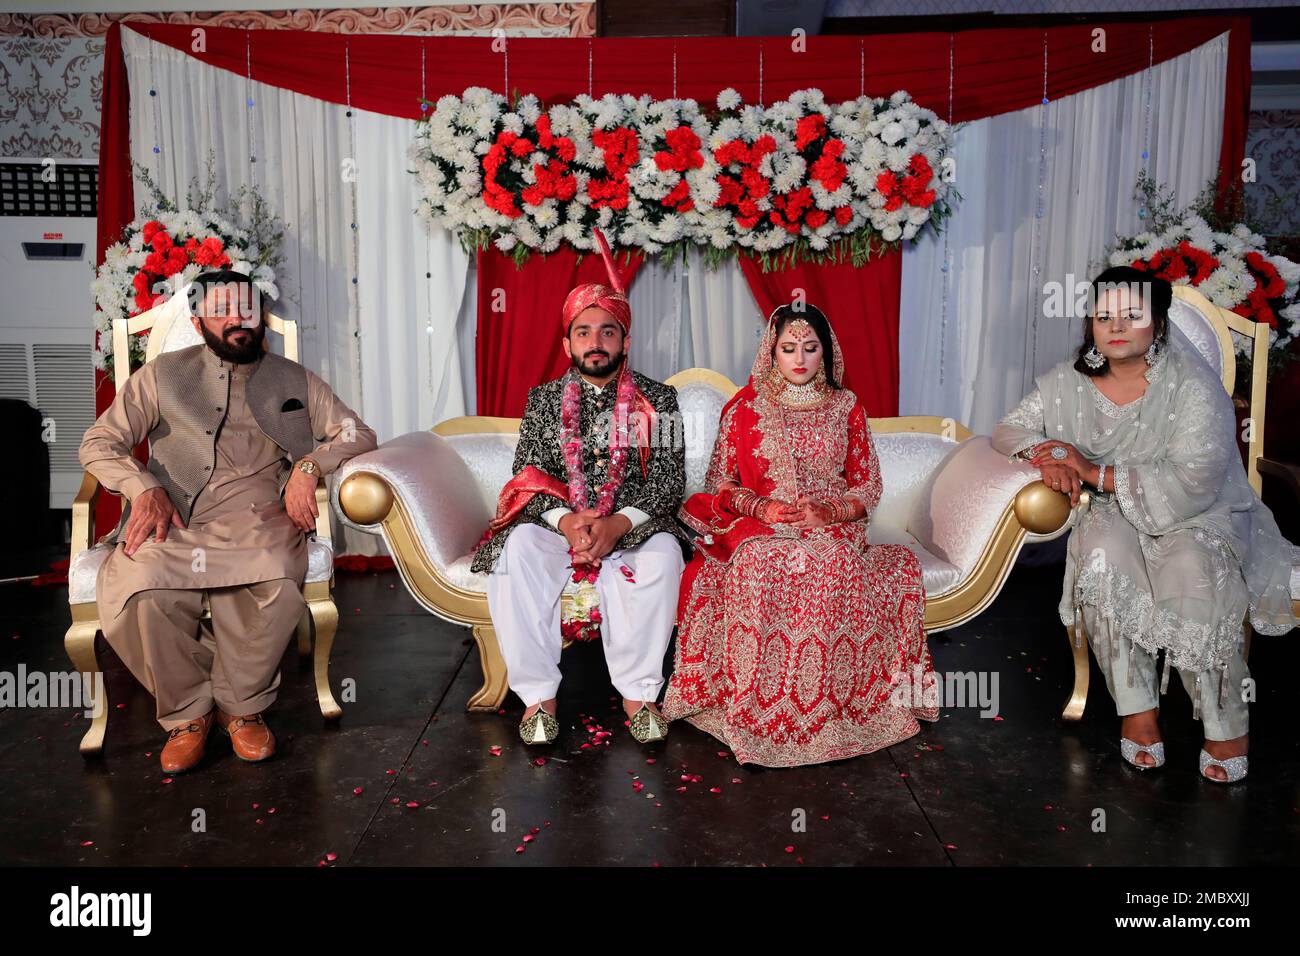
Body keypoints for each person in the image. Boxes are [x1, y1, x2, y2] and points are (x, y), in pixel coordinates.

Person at [991, 266, 1299, 783]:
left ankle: (1227, 724)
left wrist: (1092, 470)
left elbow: (1197, 477)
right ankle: (1137, 711)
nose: (1115, 327)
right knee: (1102, 558)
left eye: (1131, 316)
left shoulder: (1191, 388)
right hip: (1111, 510)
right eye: (1102, 316)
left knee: (1191, 571)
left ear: (1158, 324)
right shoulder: (1068, 382)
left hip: (1198, 512)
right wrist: (1050, 456)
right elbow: (1009, 429)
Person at [79, 270, 377, 773]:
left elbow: (357, 433)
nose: (240, 320)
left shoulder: (293, 378)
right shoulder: (160, 375)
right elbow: (98, 442)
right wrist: (142, 487)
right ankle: (188, 715)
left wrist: (309, 465)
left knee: (278, 576)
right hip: (173, 512)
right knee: (140, 588)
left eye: (249, 309)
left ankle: (242, 708)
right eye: (224, 311)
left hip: (260, 514)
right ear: (198, 322)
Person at [661, 303, 939, 767]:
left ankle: (820, 710)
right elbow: (721, 483)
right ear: (771, 352)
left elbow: (868, 485)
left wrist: (828, 512)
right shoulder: (744, 408)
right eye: (788, 348)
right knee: (755, 565)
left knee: (831, 565)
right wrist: (763, 506)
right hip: (760, 525)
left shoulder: (845, 405)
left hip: (831, 526)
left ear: (826, 354)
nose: (799, 358)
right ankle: (759, 710)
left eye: (811, 348)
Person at [469, 231, 689, 746]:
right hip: (557, 522)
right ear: (567, 343)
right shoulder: (543, 399)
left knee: (660, 556)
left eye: (607, 332)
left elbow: (669, 479)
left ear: (625, 340)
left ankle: (638, 695)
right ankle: (539, 698)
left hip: (634, 523)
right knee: (518, 549)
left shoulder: (660, 399)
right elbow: (527, 472)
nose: (596, 342)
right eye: (583, 332)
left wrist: (617, 523)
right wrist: (567, 522)